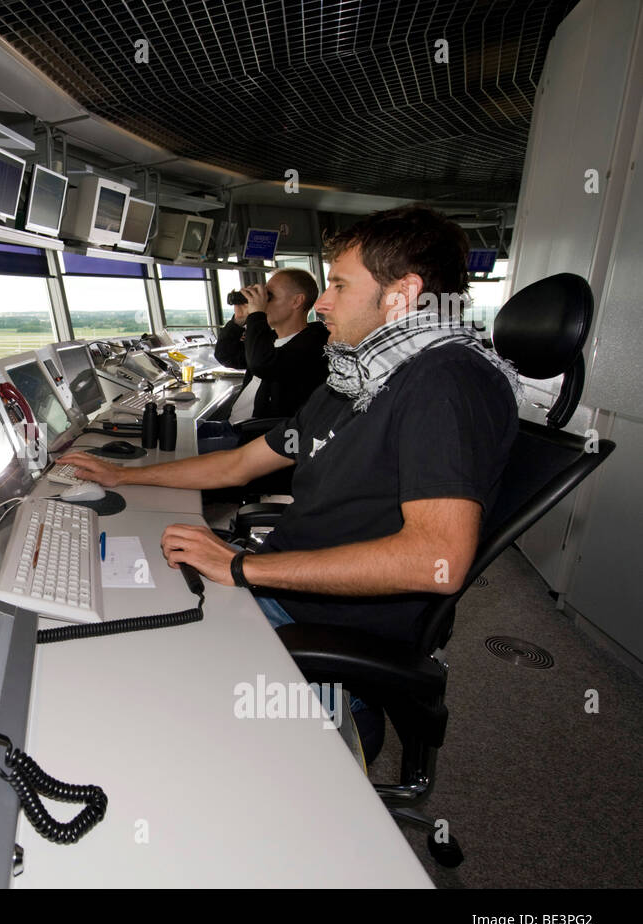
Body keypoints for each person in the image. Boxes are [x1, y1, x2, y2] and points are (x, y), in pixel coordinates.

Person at [60, 206, 520, 757]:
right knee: (119, 622)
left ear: (402, 293)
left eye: (340, 285)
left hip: (323, 624)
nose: (322, 302)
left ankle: (343, 724)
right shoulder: (356, 376)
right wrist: (124, 474)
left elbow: (435, 559)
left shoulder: (445, 384)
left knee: (141, 702)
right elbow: (239, 464)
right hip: (281, 586)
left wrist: (240, 566)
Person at [199, 268, 329, 454]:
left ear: (297, 301)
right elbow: (226, 355)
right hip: (235, 427)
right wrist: (239, 320)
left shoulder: (314, 343)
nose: (263, 303)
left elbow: (263, 364)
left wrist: (256, 316)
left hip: (262, 438)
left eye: (269, 297)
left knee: (174, 454)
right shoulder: (270, 339)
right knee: (168, 436)